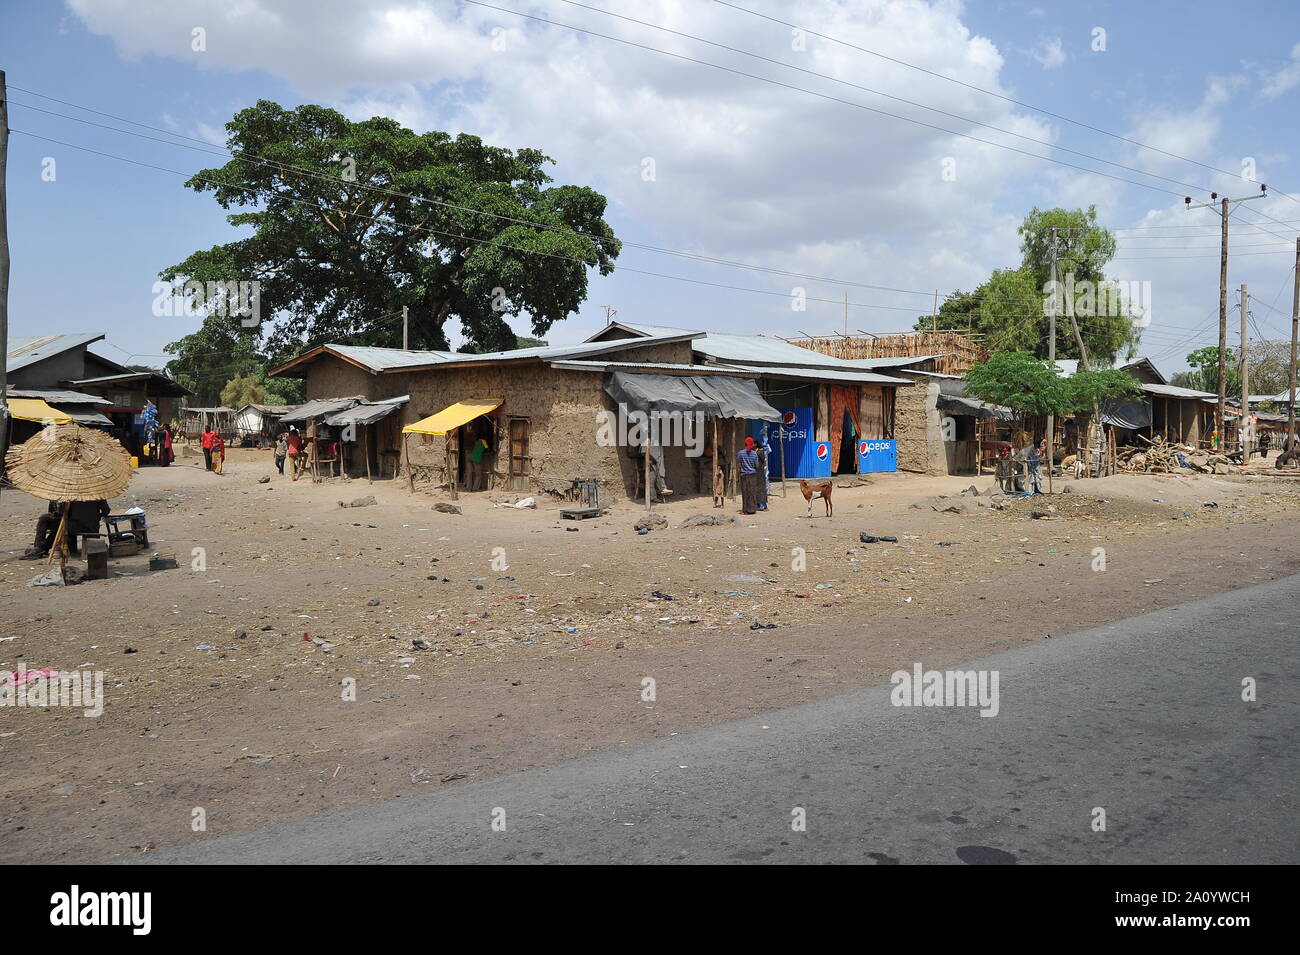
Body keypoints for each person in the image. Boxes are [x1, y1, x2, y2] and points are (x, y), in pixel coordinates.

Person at [22, 500, 110, 559]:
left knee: (46, 520)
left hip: (73, 527)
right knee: (58, 525)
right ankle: (41, 548)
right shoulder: (98, 493)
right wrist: (95, 516)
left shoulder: (72, 495)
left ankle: (40, 547)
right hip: (92, 526)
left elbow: (64, 513)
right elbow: (106, 510)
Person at [737, 436, 761, 515]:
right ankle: (752, 509)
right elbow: (756, 465)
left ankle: (745, 510)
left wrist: (737, 475)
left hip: (744, 475)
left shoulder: (740, 453)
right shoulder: (754, 454)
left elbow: (739, 465)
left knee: (745, 492)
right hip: (752, 475)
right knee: (752, 492)